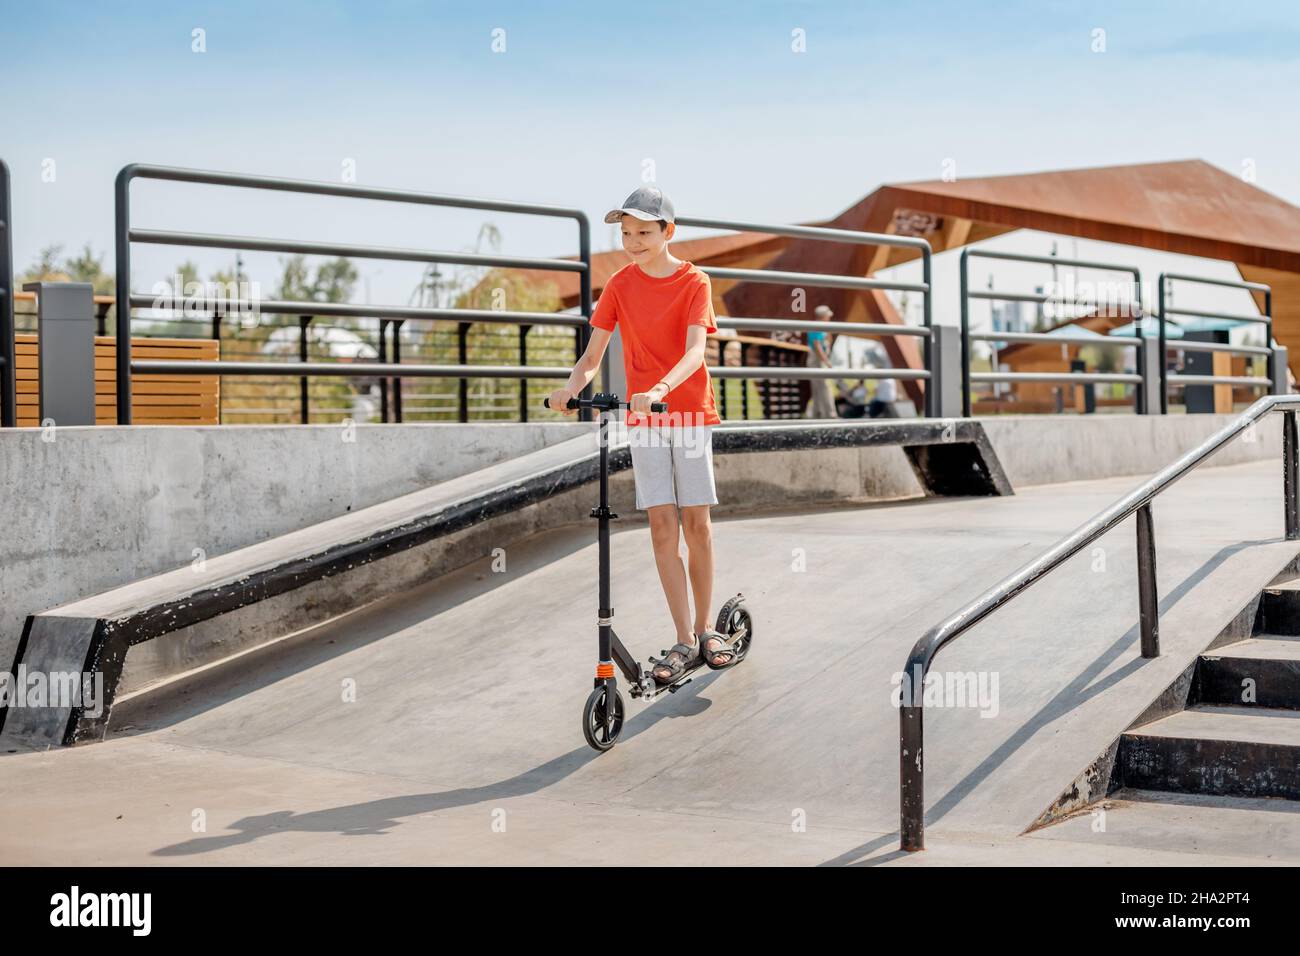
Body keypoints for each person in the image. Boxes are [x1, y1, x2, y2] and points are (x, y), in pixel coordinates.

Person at [548, 186, 735, 683]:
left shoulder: (695, 281)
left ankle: (707, 628)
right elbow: (592, 357)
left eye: (643, 233)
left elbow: (697, 352)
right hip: (646, 419)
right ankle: (683, 639)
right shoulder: (620, 285)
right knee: (660, 528)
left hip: (688, 411)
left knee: (696, 524)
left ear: (668, 232)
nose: (632, 241)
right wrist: (569, 390)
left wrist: (660, 387)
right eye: (626, 233)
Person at [805, 305, 837, 418]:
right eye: (828, 316)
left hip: (819, 360)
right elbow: (817, 346)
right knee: (824, 387)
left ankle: (817, 414)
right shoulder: (816, 327)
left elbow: (829, 340)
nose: (829, 318)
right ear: (823, 316)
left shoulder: (823, 328)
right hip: (817, 360)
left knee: (818, 388)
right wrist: (826, 361)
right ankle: (830, 414)